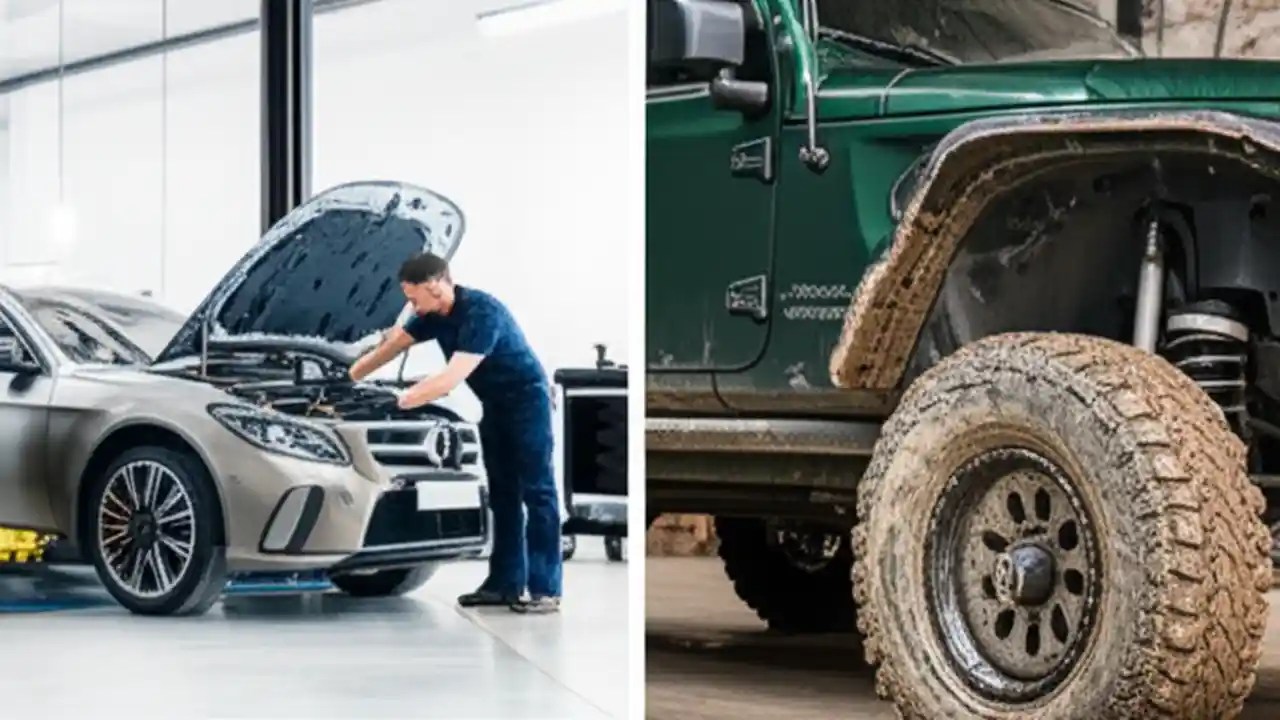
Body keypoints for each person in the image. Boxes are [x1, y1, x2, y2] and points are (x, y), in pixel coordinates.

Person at [348, 252, 562, 614]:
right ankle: (503, 585)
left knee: (538, 491)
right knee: (503, 496)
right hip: (493, 405)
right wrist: (350, 376)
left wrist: (403, 400)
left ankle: (546, 590)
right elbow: (392, 345)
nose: (410, 305)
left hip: (528, 402)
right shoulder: (431, 315)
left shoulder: (483, 313)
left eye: (413, 297)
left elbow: (451, 378)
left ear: (435, 286)